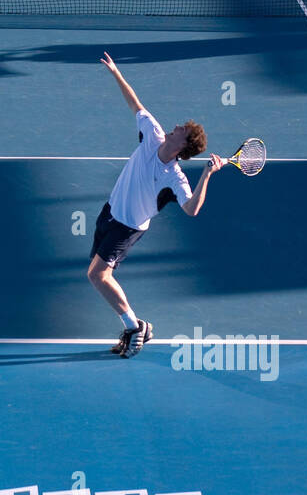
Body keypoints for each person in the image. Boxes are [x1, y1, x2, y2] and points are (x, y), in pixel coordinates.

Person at [89, 53, 222, 358]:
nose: (176, 126)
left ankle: (135, 326)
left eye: (182, 131)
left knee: (97, 275)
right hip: (110, 212)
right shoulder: (153, 134)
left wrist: (206, 175)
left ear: (183, 145)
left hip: (128, 227)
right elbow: (135, 103)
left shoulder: (175, 177)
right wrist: (115, 73)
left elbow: (191, 209)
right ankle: (136, 327)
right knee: (100, 277)